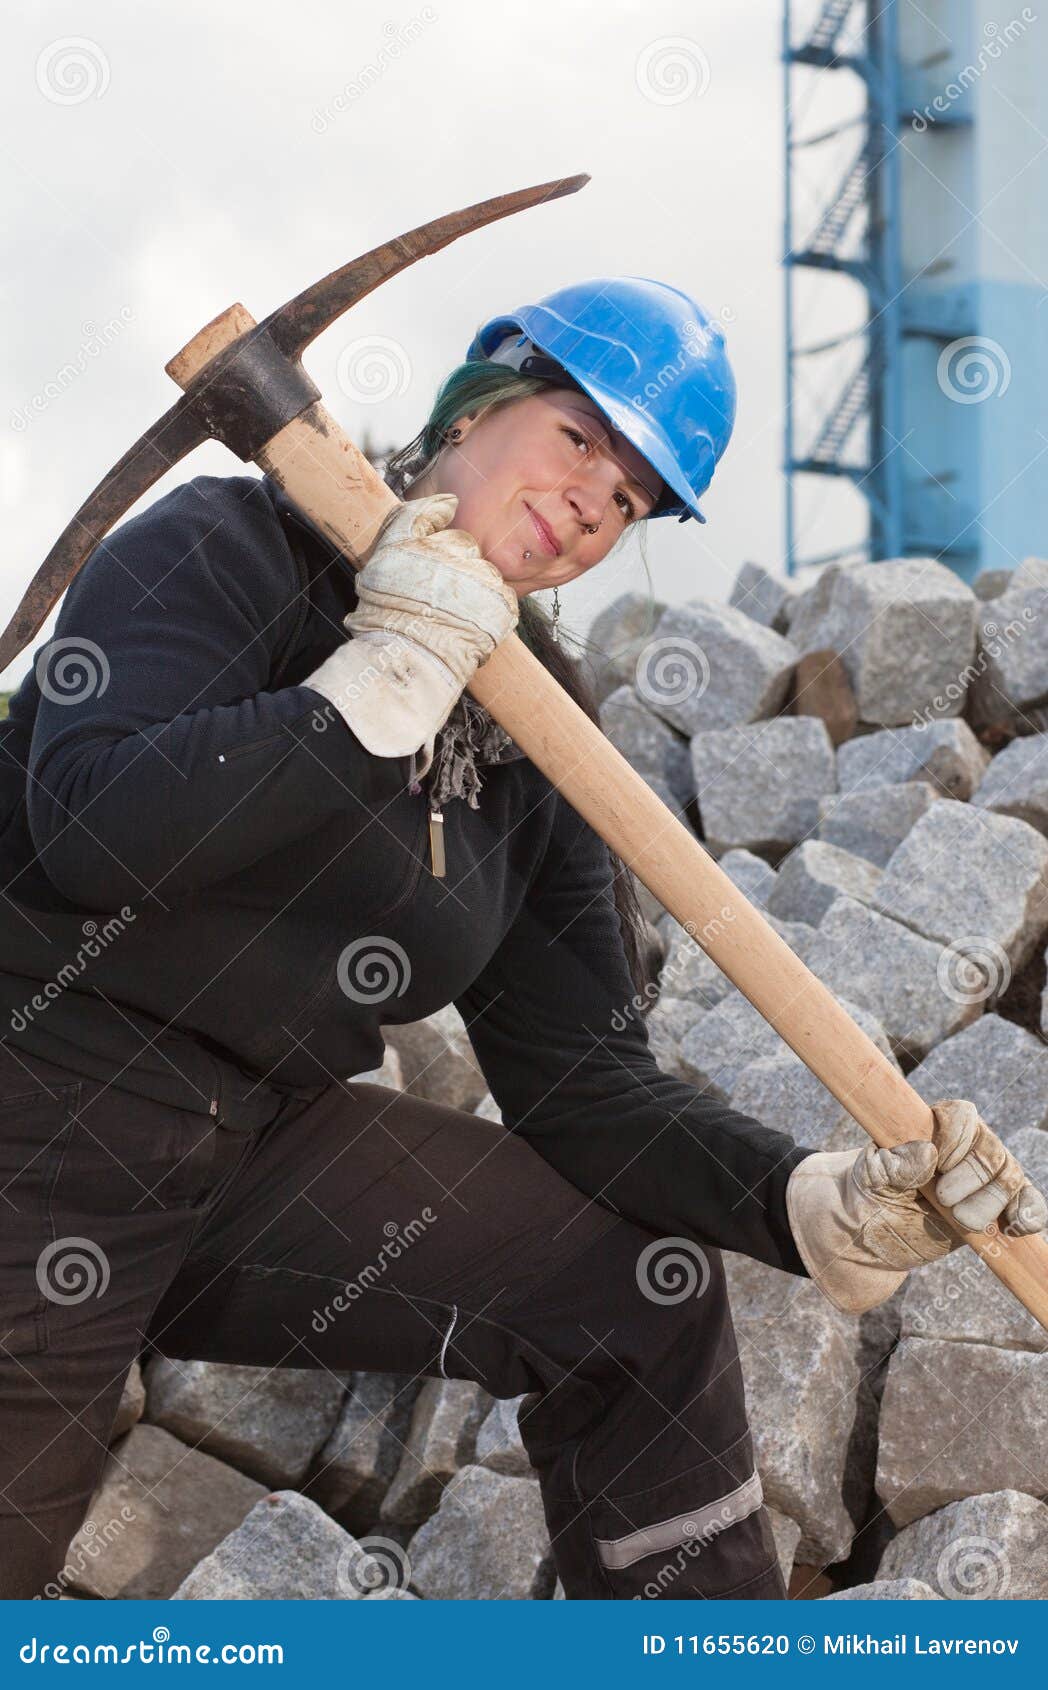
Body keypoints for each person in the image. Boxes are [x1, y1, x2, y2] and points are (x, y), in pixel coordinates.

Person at [0, 276, 1043, 1603]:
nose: (590, 502)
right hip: (37, 1111)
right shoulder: (225, 546)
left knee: (634, 1289)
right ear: (478, 401)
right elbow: (96, 827)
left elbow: (584, 1082)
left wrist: (810, 1200)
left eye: (627, 502)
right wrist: (374, 680)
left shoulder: (528, 718)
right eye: (578, 437)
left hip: (254, 1145)